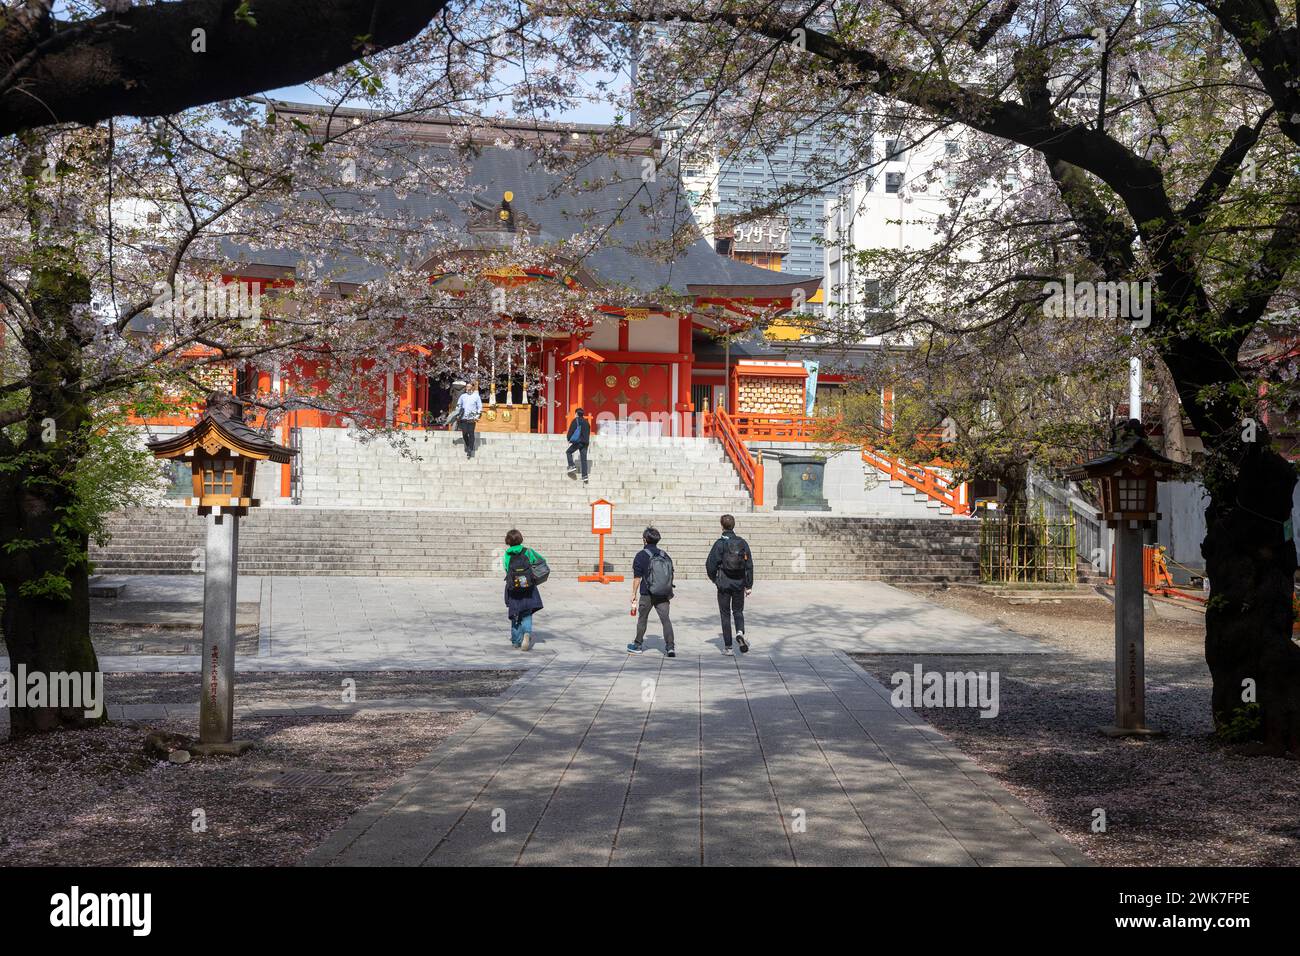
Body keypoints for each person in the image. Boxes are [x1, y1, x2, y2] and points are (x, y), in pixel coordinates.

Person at [706, 513, 753, 655]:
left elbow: (710, 564)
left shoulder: (719, 544)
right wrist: (749, 585)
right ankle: (739, 632)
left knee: (725, 614)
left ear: (722, 526)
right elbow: (749, 564)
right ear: (733, 525)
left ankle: (728, 647)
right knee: (738, 611)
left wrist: (715, 579)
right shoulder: (742, 543)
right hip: (739, 583)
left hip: (724, 584)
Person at [627, 527, 675, 658]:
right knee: (666, 620)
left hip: (647, 593)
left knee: (643, 619)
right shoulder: (665, 555)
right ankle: (670, 647)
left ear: (644, 540)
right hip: (663, 593)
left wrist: (633, 594)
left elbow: (637, 577)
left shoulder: (641, 555)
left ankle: (637, 645)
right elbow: (670, 573)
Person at [503, 529, 545, 651]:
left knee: (515, 614)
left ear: (508, 541)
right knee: (526, 612)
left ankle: (516, 641)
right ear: (521, 538)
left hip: (513, 588)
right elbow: (541, 561)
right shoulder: (528, 551)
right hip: (528, 587)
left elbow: (506, 569)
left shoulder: (507, 554)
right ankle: (527, 633)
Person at [455, 381, 482, 459]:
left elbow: (479, 407)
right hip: (463, 417)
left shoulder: (476, 396)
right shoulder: (463, 396)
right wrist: (457, 413)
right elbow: (458, 405)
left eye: (469, 387)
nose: (467, 388)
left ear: (472, 388)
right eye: (467, 387)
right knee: (464, 433)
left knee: (471, 433)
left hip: (472, 418)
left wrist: (477, 415)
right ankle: (468, 445)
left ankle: (470, 449)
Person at [565, 407, 590, 482]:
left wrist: (569, 439)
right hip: (585, 443)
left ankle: (572, 465)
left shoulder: (575, 421)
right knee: (584, 459)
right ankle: (585, 476)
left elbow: (571, 431)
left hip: (578, 442)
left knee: (568, 452)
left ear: (576, 414)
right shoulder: (586, 422)